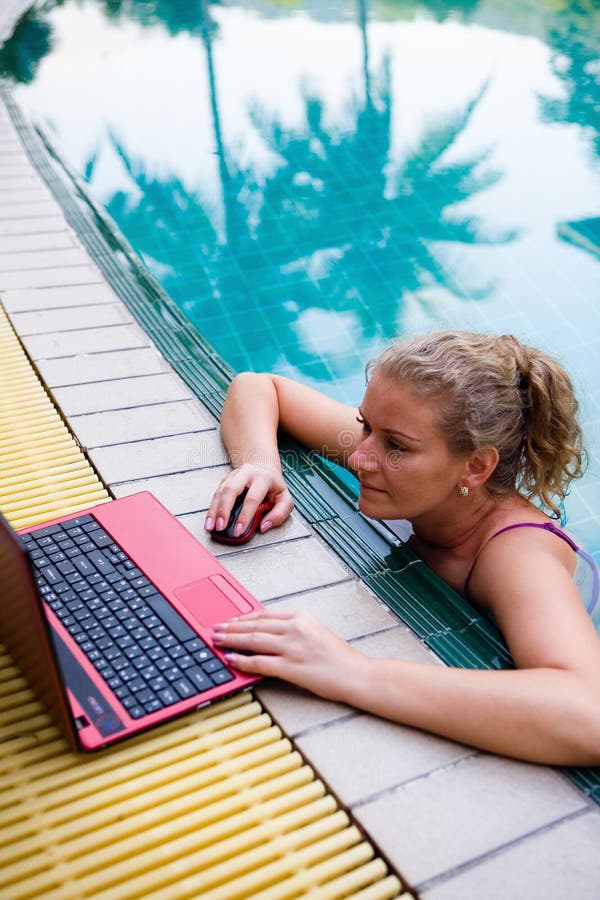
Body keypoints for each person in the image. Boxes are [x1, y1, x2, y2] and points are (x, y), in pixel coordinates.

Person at [204, 330, 600, 766]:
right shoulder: (407, 451)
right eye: (366, 427)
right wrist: (260, 464)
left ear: (476, 466)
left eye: (395, 445)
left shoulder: (516, 555)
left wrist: (351, 672)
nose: (359, 457)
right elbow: (260, 386)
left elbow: (587, 713)